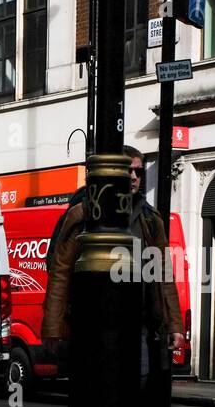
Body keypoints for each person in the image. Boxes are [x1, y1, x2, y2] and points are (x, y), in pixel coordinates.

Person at [41, 146, 185, 381]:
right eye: (128, 171)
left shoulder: (150, 219)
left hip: (136, 322)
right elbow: (60, 270)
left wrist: (174, 324)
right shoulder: (83, 214)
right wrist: (53, 326)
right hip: (91, 322)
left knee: (135, 386)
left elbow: (162, 274)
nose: (134, 177)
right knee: (95, 390)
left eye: (139, 172)